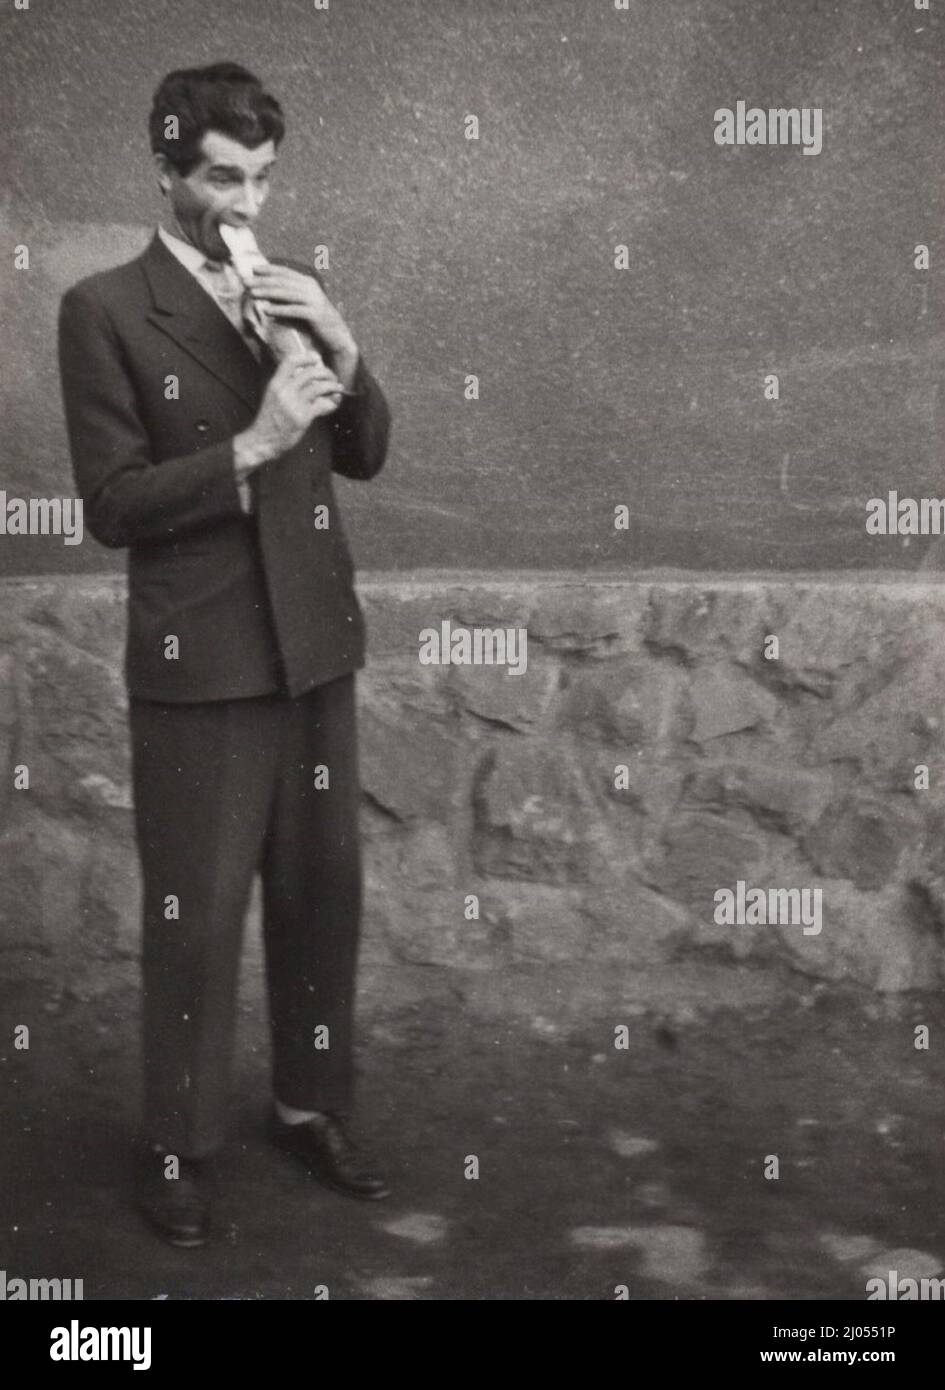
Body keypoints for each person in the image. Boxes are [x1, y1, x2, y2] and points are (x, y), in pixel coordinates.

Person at [57, 61, 393, 1248]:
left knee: (321, 896)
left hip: (314, 648)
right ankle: (176, 1141)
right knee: (194, 913)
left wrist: (343, 348)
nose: (243, 202)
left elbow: (363, 453)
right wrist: (252, 446)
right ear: (166, 169)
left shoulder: (296, 287)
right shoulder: (103, 308)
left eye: (259, 177)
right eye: (218, 177)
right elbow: (113, 502)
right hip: (202, 661)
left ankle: (308, 1104)